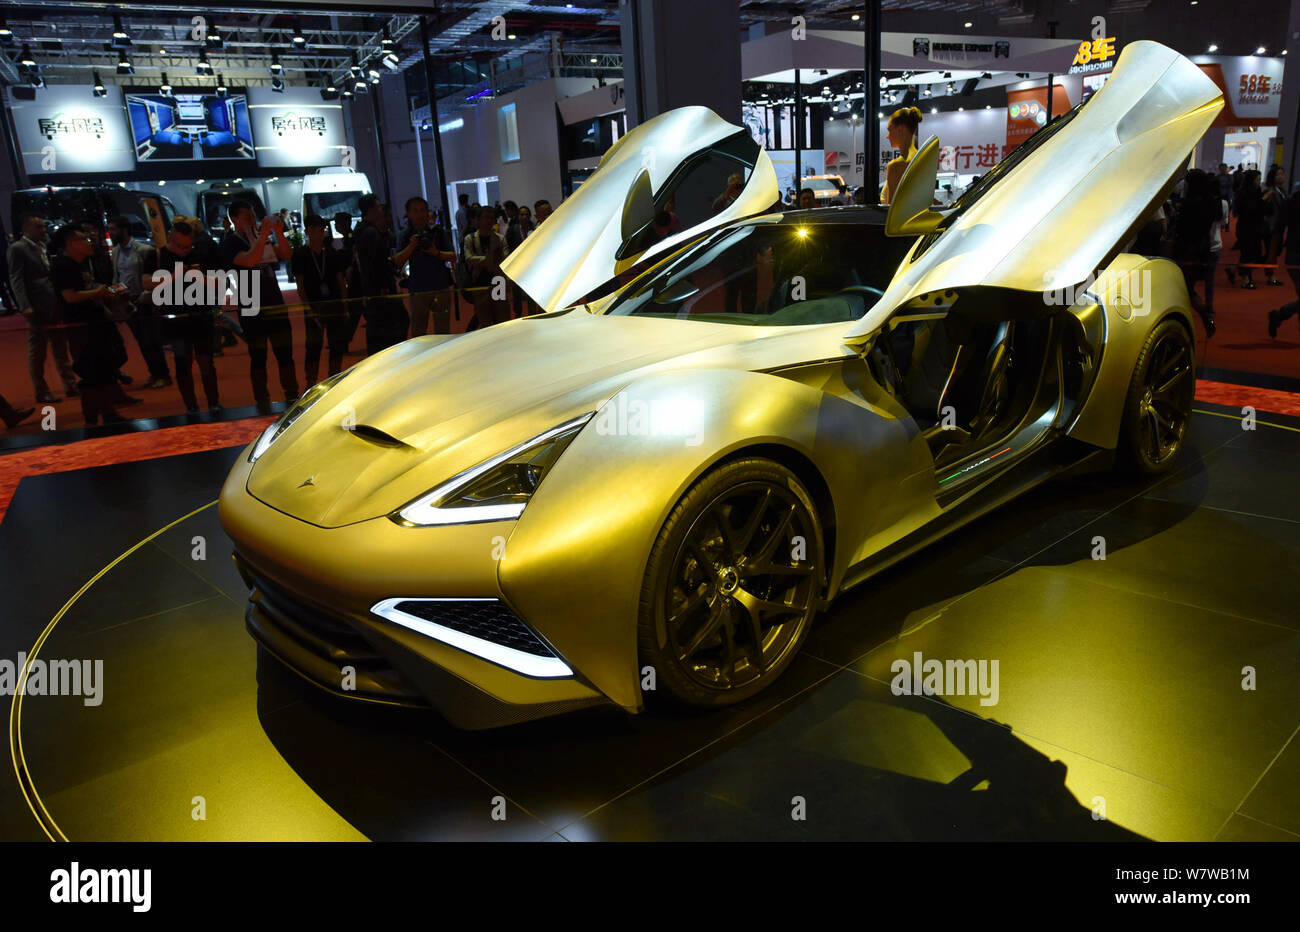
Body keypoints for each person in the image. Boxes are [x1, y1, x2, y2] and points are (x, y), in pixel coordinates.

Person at [220, 199, 299, 409]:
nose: (252, 220)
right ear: (234, 219)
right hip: (251, 303)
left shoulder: (258, 236)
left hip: (274, 299)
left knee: (285, 353)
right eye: (247, 217)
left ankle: (292, 397)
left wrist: (279, 232)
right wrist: (264, 234)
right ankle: (262, 403)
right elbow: (249, 260)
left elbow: (286, 254)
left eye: (253, 216)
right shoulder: (231, 242)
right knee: (258, 356)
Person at [51, 224, 128, 424]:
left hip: (95, 321)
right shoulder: (64, 266)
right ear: (70, 244)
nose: (89, 242)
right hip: (81, 326)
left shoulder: (81, 264)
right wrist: (99, 292)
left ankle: (107, 411)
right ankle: (93, 415)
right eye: (83, 239)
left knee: (104, 366)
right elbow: (70, 296)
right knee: (90, 370)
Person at [149, 221, 220, 413]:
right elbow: (147, 284)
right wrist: (175, 275)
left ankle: (214, 403)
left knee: (206, 362)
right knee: (183, 363)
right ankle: (191, 406)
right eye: (180, 246)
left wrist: (201, 278)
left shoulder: (199, 254)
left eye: (188, 246)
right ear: (171, 238)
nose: (184, 250)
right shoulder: (158, 255)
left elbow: (222, 283)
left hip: (201, 314)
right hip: (176, 317)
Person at [8, 213, 78, 403]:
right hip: (36, 306)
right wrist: (25, 306)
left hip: (52, 303)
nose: (43, 230)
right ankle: (41, 390)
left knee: (60, 347)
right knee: (38, 352)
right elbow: (16, 279)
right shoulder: (18, 248)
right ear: (26, 229)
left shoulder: (42, 245)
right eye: (38, 227)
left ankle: (70, 384)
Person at [109, 216, 171, 389]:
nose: (111, 232)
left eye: (113, 229)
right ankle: (154, 373)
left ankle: (163, 374)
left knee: (153, 341)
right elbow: (117, 276)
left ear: (124, 229)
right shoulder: (115, 252)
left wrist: (144, 297)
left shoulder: (145, 250)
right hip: (126, 302)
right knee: (142, 342)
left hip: (144, 300)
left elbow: (153, 278)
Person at [292, 214, 351, 382]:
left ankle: (333, 382)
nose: (319, 234)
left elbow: (341, 282)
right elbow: (300, 286)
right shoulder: (300, 254)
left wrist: (345, 307)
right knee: (313, 348)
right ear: (307, 232)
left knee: (336, 346)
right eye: (315, 231)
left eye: (321, 230)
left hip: (334, 305)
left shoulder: (331, 253)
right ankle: (311, 384)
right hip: (314, 307)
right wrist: (307, 309)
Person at [394, 197, 455, 338]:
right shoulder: (404, 235)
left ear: (428, 212)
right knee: (418, 332)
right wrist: (412, 246)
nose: (420, 214)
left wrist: (436, 253)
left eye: (423, 210)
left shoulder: (438, 232)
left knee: (443, 331)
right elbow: (397, 261)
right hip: (418, 289)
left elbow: (453, 256)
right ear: (408, 214)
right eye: (415, 211)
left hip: (440, 286)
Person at [353, 193, 407, 352]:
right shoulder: (371, 233)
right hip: (380, 290)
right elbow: (375, 265)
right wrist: (382, 286)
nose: (380, 210)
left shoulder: (363, 230)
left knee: (382, 329)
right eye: (377, 206)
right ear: (371, 209)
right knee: (393, 326)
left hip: (374, 289)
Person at [1170, 169, 1220, 337]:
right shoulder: (1209, 202)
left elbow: (1182, 229)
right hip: (1201, 250)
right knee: (1188, 288)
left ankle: (1204, 317)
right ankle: (1205, 316)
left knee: (1183, 289)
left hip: (1186, 252)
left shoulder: (1190, 204)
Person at [463, 207, 509, 329]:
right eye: (486, 217)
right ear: (478, 220)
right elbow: (469, 259)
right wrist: (490, 260)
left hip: (498, 283)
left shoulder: (500, 238)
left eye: (491, 218)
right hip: (479, 283)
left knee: (502, 319)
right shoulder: (470, 238)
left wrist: (483, 260)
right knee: (484, 321)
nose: (489, 221)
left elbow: (506, 260)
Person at [1268, 183, 1300, 337]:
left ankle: (1279, 315)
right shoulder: (1292, 202)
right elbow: (1278, 230)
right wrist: (1271, 257)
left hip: (1293, 254)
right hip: (1296, 255)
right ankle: (1279, 315)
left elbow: (1278, 230)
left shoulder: (1291, 201)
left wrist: (1272, 256)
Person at [882, 106, 923, 205]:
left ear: (900, 129)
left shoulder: (896, 166)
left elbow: (893, 208)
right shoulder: (923, 158)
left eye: (890, 130)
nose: (888, 136)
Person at [1232, 169, 1265, 289]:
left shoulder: (1256, 192)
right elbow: (1248, 210)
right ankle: (1245, 279)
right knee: (1247, 253)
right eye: (1257, 180)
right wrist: (1263, 200)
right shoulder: (1244, 193)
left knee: (1251, 253)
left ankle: (1236, 271)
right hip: (1246, 227)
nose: (1259, 182)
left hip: (1254, 227)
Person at [1262, 165, 1287, 285]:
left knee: (1273, 252)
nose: (1281, 176)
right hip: (1271, 227)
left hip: (1279, 226)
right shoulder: (1270, 191)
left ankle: (1235, 269)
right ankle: (1271, 276)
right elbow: (1265, 210)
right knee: (1271, 252)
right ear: (1272, 177)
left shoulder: (1282, 190)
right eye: (1278, 174)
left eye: (1282, 174)